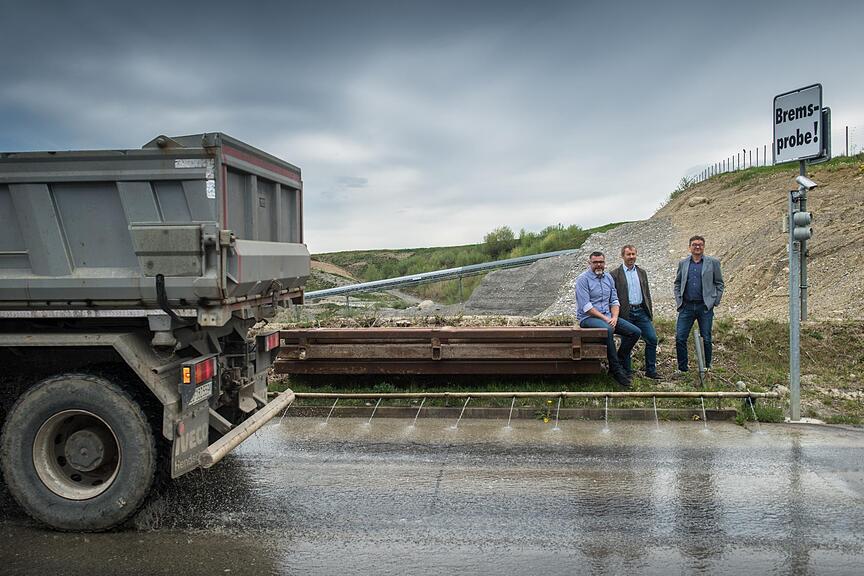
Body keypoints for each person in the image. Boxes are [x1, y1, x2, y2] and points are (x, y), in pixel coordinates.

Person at [575, 251, 641, 387]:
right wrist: (606, 319)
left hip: (609, 317)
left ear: (605, 263)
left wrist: (615, 317)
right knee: (608, 330)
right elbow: (586, 307)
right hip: (588, 318)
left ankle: (619, 360)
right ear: (589, 263)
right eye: (595, 262)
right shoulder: (583, 280)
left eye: (601, 262)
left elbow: (614, 300)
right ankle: (616, 370)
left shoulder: (608, 278)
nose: (599, 265)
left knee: (635, 332)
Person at [673, 235, 724, 374]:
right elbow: (677, 283)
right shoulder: (683, 263)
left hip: (705, 307)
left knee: (706, 337)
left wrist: (714, 301)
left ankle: (707, 367)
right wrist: (679, 300)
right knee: (680, 337)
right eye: (694, 244)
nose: (697, 247)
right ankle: (682, 369)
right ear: (689, 247)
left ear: (704, 246)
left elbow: (719, 283)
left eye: (700, 244)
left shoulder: (713, 263)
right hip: (686, 306)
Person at [610, 245, 659, 379]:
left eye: (633, 254)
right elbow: (612, 296)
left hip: (641, 311)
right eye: (628, 254)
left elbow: (646, 293)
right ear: (622, 256)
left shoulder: (642, 272)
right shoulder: (615, 274)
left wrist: (649, 311)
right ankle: (627, 371)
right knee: (627, 341)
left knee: (652, 339)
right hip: (626, 312)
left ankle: (651, 370)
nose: (631, 257)